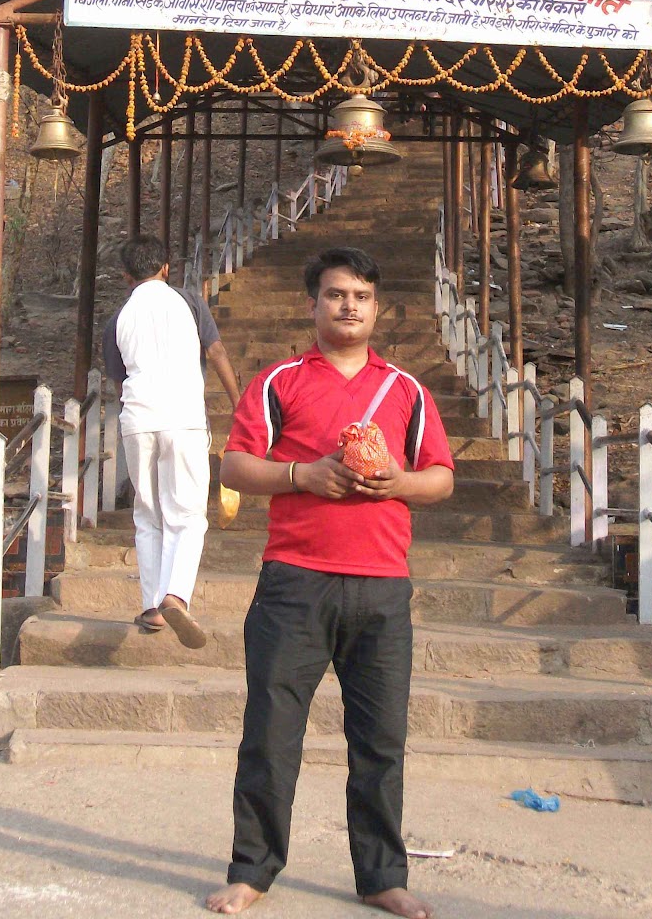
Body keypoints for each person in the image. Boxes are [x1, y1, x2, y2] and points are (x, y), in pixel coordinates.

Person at [207, 246, 454, 919]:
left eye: (362, 297)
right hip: (295, 582)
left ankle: (381, 876)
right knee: (271, 729)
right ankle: (253, 870)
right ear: (311, 303)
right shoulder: (277, 382)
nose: (349, 306)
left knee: (380, 739)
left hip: (381, 586)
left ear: (377, 309)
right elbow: (233, 467)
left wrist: (397, 483)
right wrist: (303, 475)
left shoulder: (407, 391)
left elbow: (440, 478)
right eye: (337, 294)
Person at [108, 234, 240, 648]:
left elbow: (119, 383)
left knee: (148, 515)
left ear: (127, 276)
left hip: (138, 420)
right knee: (186, 515)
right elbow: (216, 353)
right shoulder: (188, 302)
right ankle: (176, 596)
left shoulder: (118, 318)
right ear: (166, 267)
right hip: (182, 419)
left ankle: (152, 607)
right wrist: (240, 403)